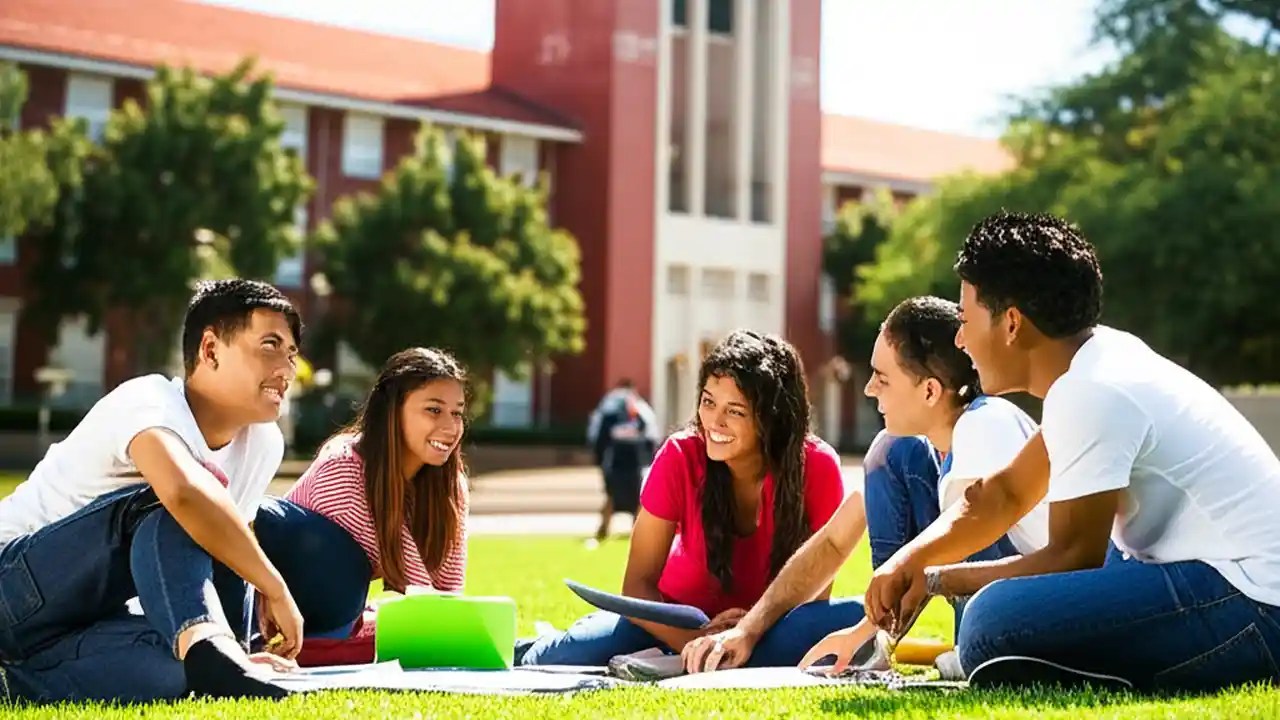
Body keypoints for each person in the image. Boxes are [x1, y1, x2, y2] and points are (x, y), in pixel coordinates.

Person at [867, 211, 1280, 692]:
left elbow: (1072, 556)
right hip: (1208, 581)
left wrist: (939, 581)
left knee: (991, 621)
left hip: (1253, 602)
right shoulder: (1094, 364)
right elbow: (1004, 495)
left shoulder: (1091, 390)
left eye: (964, 320)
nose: (960, 340)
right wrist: (909, 562)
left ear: (1012, 323)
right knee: (1002, 615)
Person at [681, 296, 1048, 673]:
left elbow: (961, 537)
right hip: (995, 594)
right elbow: (833, 541)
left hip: (1034, 602)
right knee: (889, 453)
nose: (869, 389)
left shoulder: (984, 424)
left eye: (882, 378)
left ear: (930, 391)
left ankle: (973, 646)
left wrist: (861, 627)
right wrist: (748, 629)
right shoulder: (924, 448)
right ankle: (881, 643)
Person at [0, 279, 304, 703]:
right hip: (13, 585)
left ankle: (14, 684)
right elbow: (183, 494)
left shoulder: (263, 443)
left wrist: (237, 652)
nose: (287, 368)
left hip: (91, 620)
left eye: (291, 353)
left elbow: (230, 548)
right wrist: (277, 587)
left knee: (182, 674)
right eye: (270, 345)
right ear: (211, 349)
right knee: (172, 504)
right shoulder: (148, 401)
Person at [517, 329, 853, 667]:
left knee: (834, 622)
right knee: (576, 653)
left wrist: (748, 630)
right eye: (708, 402)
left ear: (773, 417)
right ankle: (529, 647)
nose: (714, 422)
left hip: (768, 628)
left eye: (734, 410)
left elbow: (814, 597)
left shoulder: (817, 467)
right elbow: (637, 586)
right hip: (670, 626)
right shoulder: (680, 455)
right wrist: (700, 642)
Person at [274, 347, 471, 666]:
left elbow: (447, 595)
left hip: (337, 618)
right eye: (434, 410)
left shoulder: (449, 486)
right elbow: (421, 590)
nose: (450, 427)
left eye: (457, 412)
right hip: (275, 613)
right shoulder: (343, 467)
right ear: (393, 411)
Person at [586, 379, 659, 544]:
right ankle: (606, 530)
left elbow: (650, 436)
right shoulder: (612, 411)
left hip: (631, 463)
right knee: (615, 497)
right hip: (621, 463)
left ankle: (635, 532)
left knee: (633, 498)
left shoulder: (639, 411)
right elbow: (652, 438)